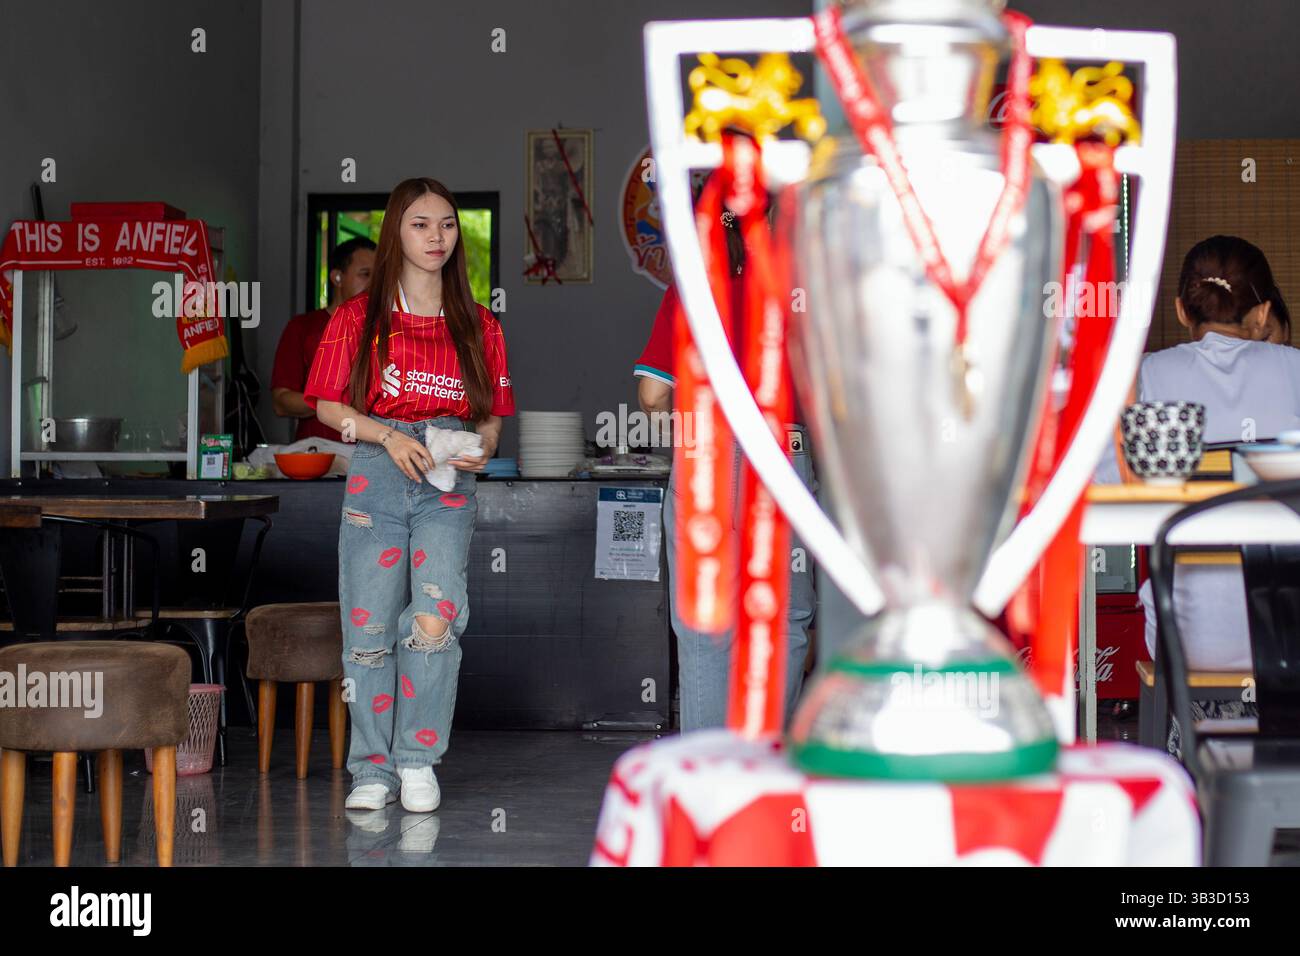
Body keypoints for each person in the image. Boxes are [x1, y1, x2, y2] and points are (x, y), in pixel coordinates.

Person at [305, 178, 515, 813]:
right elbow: (325, 406)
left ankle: (418, 758)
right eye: (421, 224)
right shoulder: (356, 318)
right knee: (367, 625)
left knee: (435, 615)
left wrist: (480, 444)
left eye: (447, 225)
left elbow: (493, 415)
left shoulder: (479, 324)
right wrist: (388, 436)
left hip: (447, 478)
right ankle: (371, 769)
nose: (437, 238)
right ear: (396, 231)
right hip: (377, 469)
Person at [1106, 236, 1300, 737]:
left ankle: (1190, 766)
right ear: (1261, 316)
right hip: (1288, 642)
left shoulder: (1145, 377)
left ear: (1181, 309)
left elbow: (1105, 483)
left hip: (1186, 640)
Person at [634, 202, 817, 732]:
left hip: (705, 454)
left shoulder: (694, 287)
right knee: (783, 617)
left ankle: (708, 772)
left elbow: (650, 394)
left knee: (705, 621)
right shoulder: (800, 285)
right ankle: (764, 761)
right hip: (784, 449)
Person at [272, 237, 376, 442]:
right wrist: (334, 401)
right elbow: (281, 402)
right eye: (365, 274)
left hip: (374, 453)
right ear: (337, 277)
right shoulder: (303, 328)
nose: (374, 283)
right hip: (319, 456)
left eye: (379, 276)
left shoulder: (388, 330)